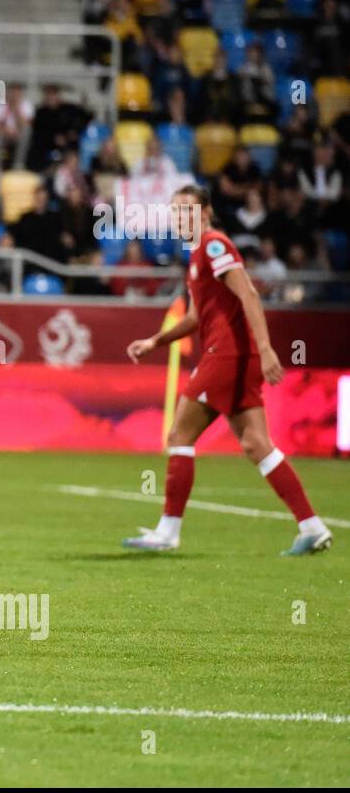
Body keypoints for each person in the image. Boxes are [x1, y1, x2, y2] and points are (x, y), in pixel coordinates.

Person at [123, 185, 331, 555]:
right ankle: (312, 527)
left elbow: (249, 294)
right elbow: (193, 316)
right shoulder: (195, 255)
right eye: (175, 212)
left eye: (187, 210)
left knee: (179, 436)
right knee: (256, 445)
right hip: (233, 356)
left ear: (205, 211)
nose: (179, 218)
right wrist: (156, 341)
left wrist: (267, 350)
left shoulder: (214, 245)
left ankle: (168, 532)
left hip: (228, 356)